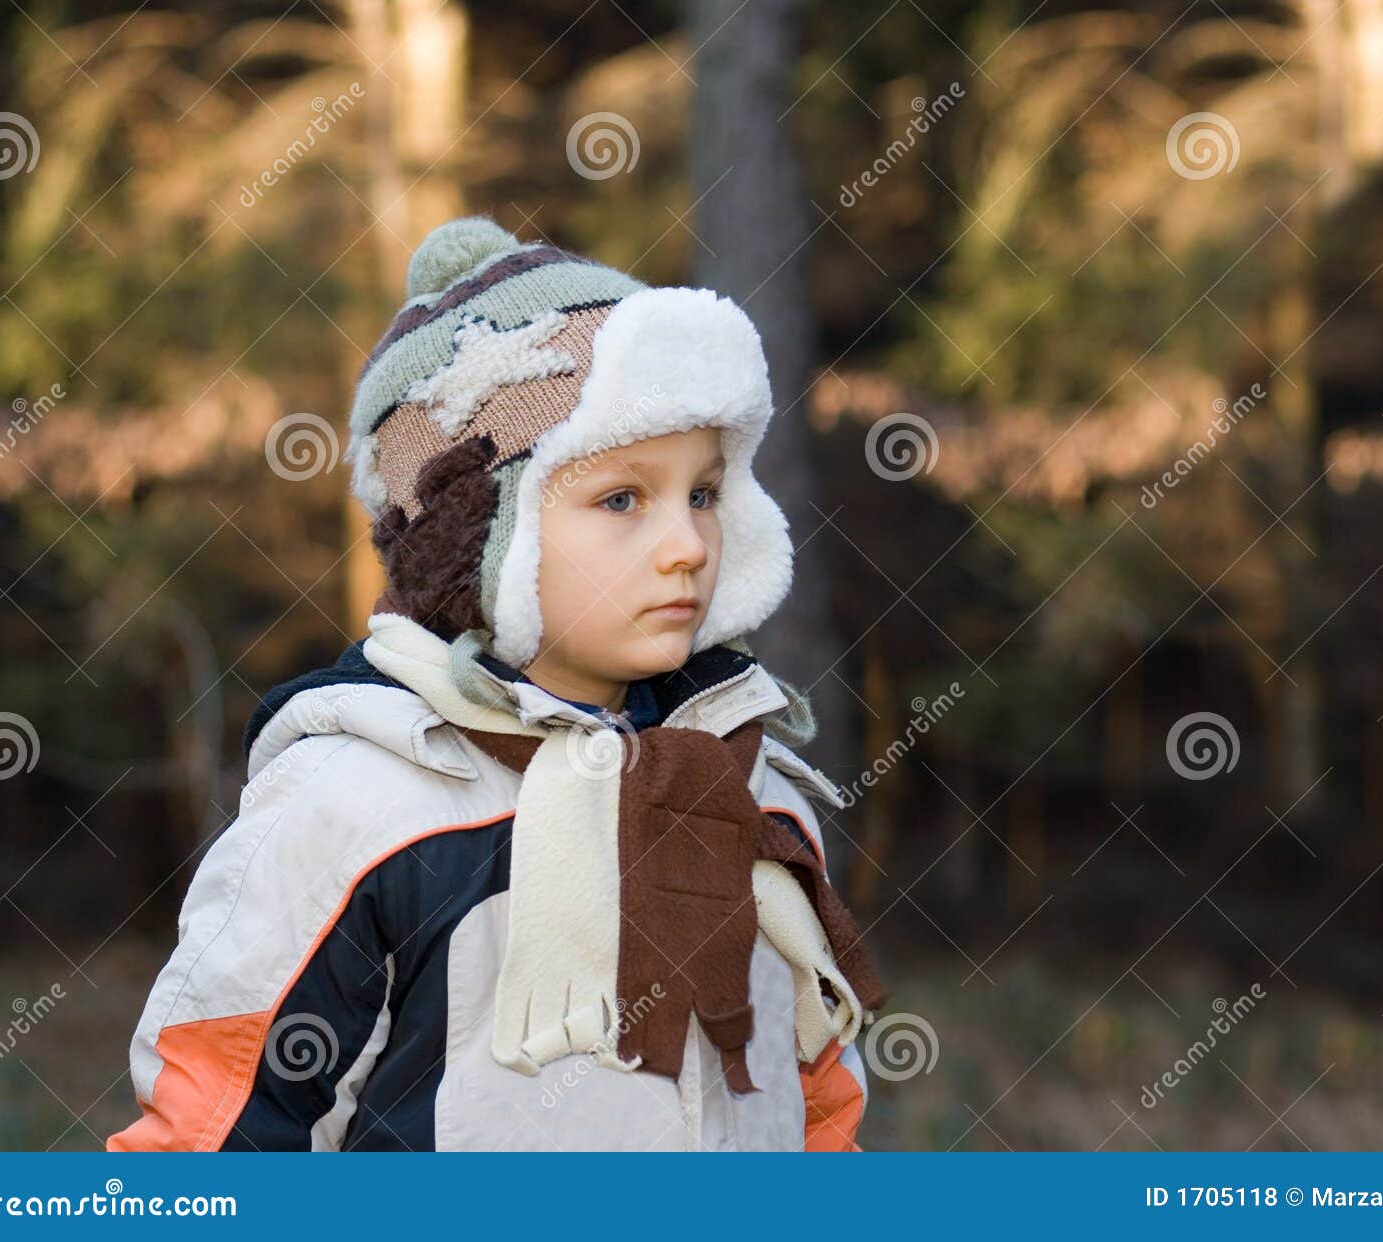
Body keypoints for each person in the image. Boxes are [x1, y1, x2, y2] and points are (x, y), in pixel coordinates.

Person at [105, 215, 886, 1152]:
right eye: (623, 500)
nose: (686, 546)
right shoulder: (358, 811)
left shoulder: (740, 785)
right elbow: (218, 1132)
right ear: (480, 535)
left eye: (705, 493)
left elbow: (817, 1099)